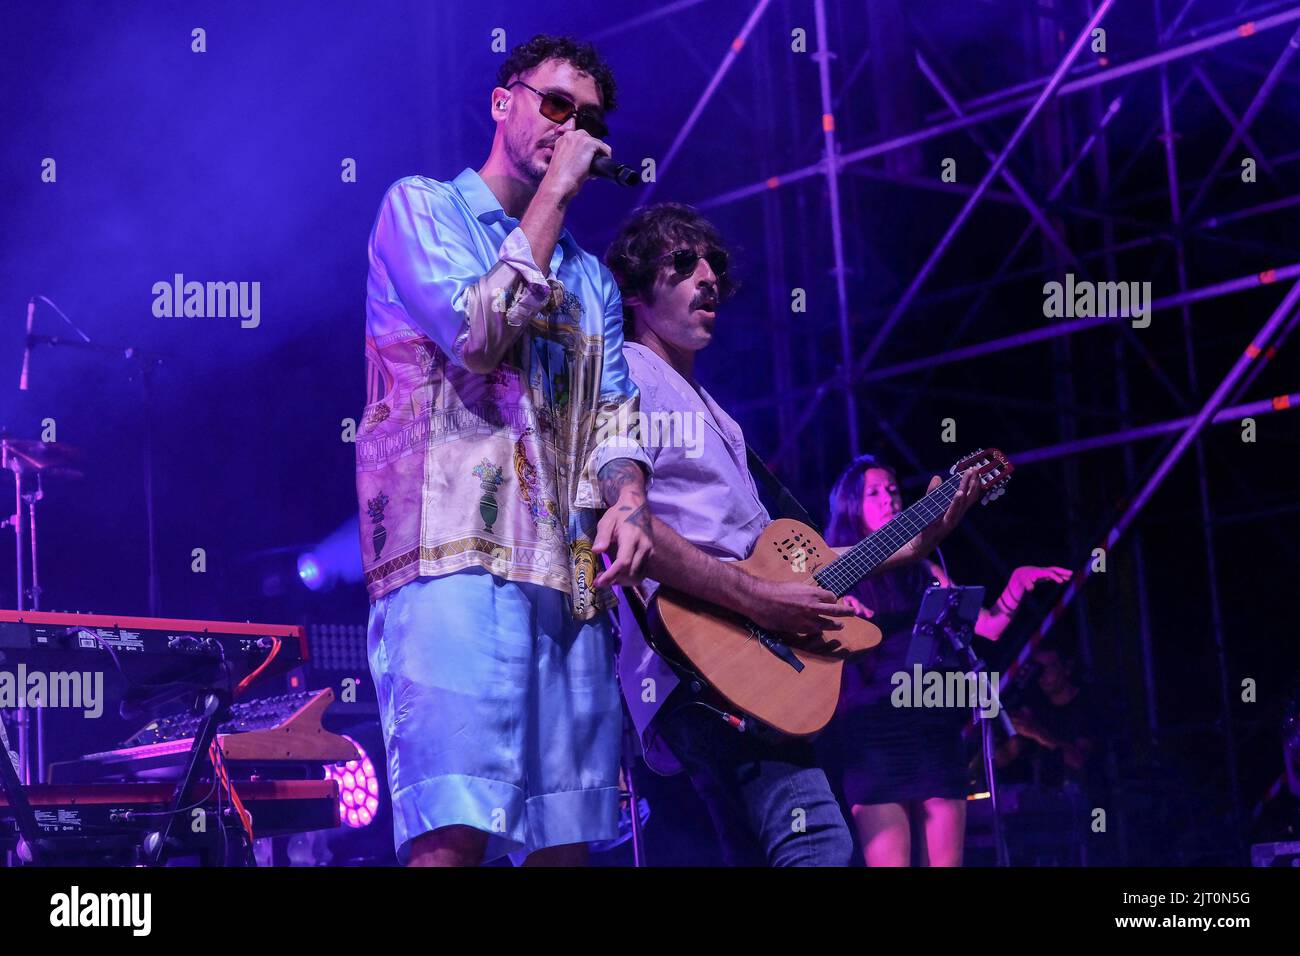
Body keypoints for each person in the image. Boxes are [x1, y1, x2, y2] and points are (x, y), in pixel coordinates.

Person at [603, 202, 981, 865]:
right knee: (820, 849)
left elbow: (792, 563)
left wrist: (911, 541)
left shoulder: (719, 416)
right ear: (634, 290)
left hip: (750, 665)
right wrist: (756, 601)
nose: (708, 277)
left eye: (714, 263)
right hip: (700, 663)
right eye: (682, 262)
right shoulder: (628, 376)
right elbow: (629, 530)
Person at [355, 34, 654, 867]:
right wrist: (554, 196)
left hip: (566, 576)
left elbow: (616, 418)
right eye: (556, 105)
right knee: (454, 830)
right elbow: (475, 334)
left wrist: (629, 499)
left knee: (566, 839)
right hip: (452, 560)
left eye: (588, 119)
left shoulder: (591, 280)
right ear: (503, 101)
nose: (572, 129)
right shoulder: (418, 209)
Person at [820, 453, 1071, 866]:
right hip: (872, 737)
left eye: (894, 490)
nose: (889, 499)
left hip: (931, 730)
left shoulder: (925, 569)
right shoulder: (836, 569)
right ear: (852, 506)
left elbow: (987, 627)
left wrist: (1018, 582)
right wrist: (837, 609)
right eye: (875, 492)